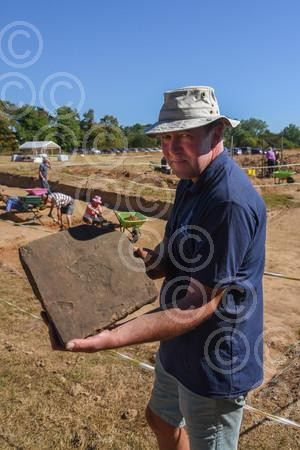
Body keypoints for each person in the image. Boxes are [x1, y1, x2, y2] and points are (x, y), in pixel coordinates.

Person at [44, 86, 266, 450]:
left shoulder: (229, 202)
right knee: (160, 419)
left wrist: (113, 337)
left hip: (214, 356)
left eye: (185, 136)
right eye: (166, 137)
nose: (172, 148)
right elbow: (176, 247)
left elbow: (199, 304)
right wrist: (141, 265)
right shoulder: (190, 182)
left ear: (217, 133)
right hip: (177, 340)